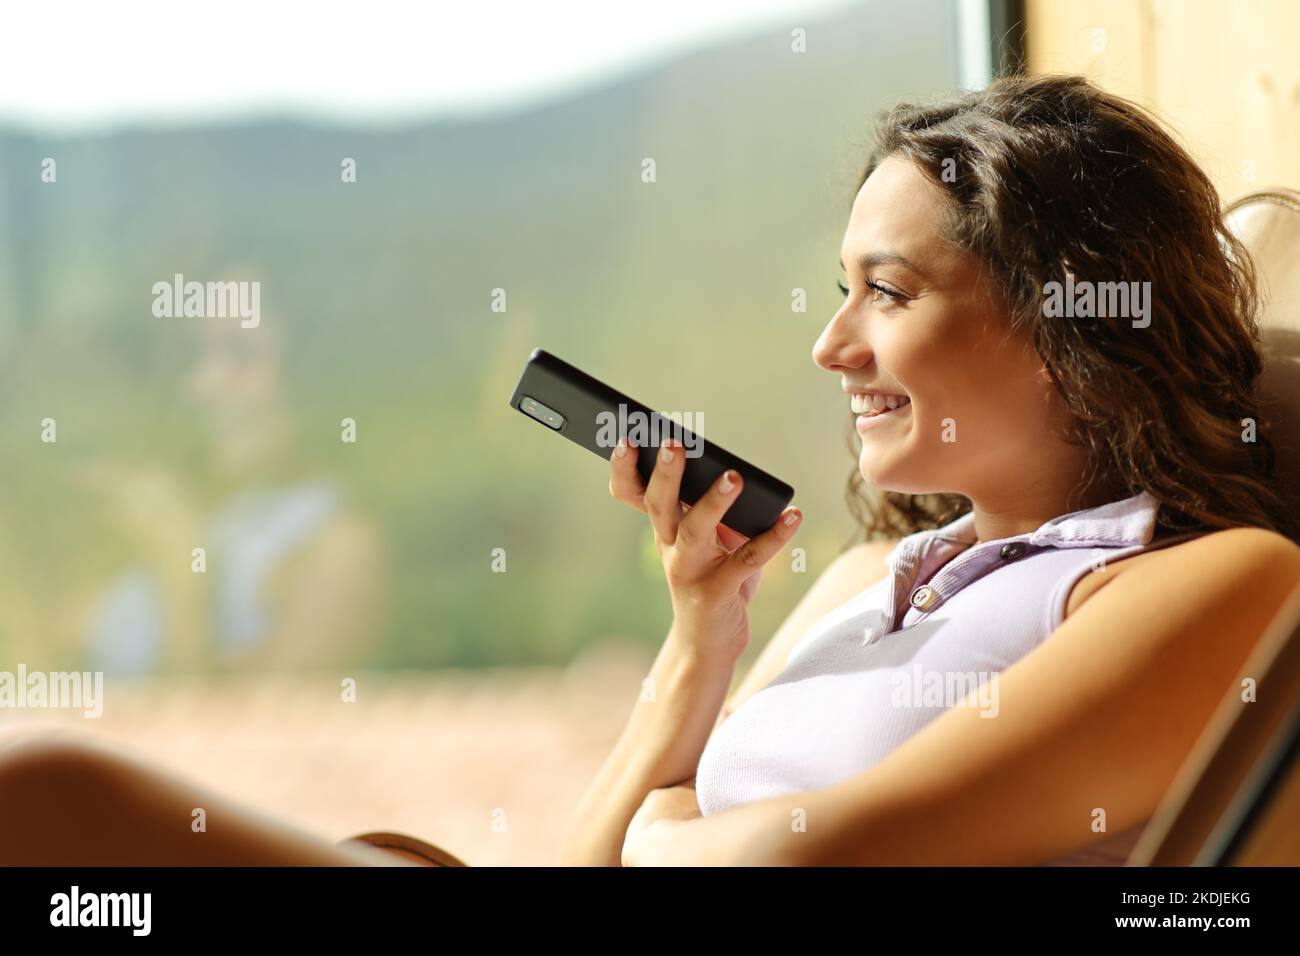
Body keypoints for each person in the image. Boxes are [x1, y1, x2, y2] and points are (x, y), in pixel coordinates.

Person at [2, 73, 1298, 866]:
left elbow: (810, 868)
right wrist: (701, 632)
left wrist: (669, 833)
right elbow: (591, 865)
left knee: (49, 803)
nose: (830, 344)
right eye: (836, 292)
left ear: (1069, 323)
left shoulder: (1217, 588)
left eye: (886, 294)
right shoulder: (865, 576)